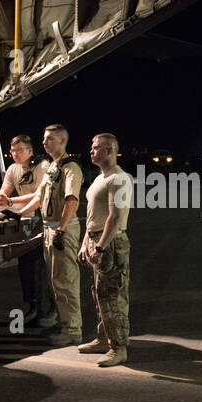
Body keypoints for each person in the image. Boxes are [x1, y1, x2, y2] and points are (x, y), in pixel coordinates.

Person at [0, 124, 83, 346]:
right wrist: (19, 214)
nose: (44, 143)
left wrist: (61, 230)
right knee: (55, 281)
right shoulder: (54, 166)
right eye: (44, 139)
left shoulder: (70, 167)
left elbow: (71, 200)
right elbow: (39, 197)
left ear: (62, 141)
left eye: (49, 139)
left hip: (61, 227)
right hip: (49, 227)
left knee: (65, 280)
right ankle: (64, 324)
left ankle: (73, 330)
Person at [78, 133, 132, 367]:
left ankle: (118, 348)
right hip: (95, 239)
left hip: (109, 241)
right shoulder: (101, 178)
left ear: (110, 150)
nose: (91, 151)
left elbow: (115, 216)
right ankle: (103, 338)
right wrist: (85, 244)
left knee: (113, 296)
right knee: (99, 294)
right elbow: (93, 216)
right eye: (92, 146)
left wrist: (100, 246)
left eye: (96, 147)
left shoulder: (118, 179)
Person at [0, 134, 55, 326]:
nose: (15, 154)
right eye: (12, 151)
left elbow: (39, 196)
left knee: (43, 268)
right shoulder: (13, 169)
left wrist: (12, 203)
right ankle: (33, 306)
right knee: (26, 266)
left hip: (43, 220)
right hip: (26, 221)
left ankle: (49, 309)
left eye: (19, 150)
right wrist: (0, 198)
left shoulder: (42, 166)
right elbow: (5, 190)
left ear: (30, 151)